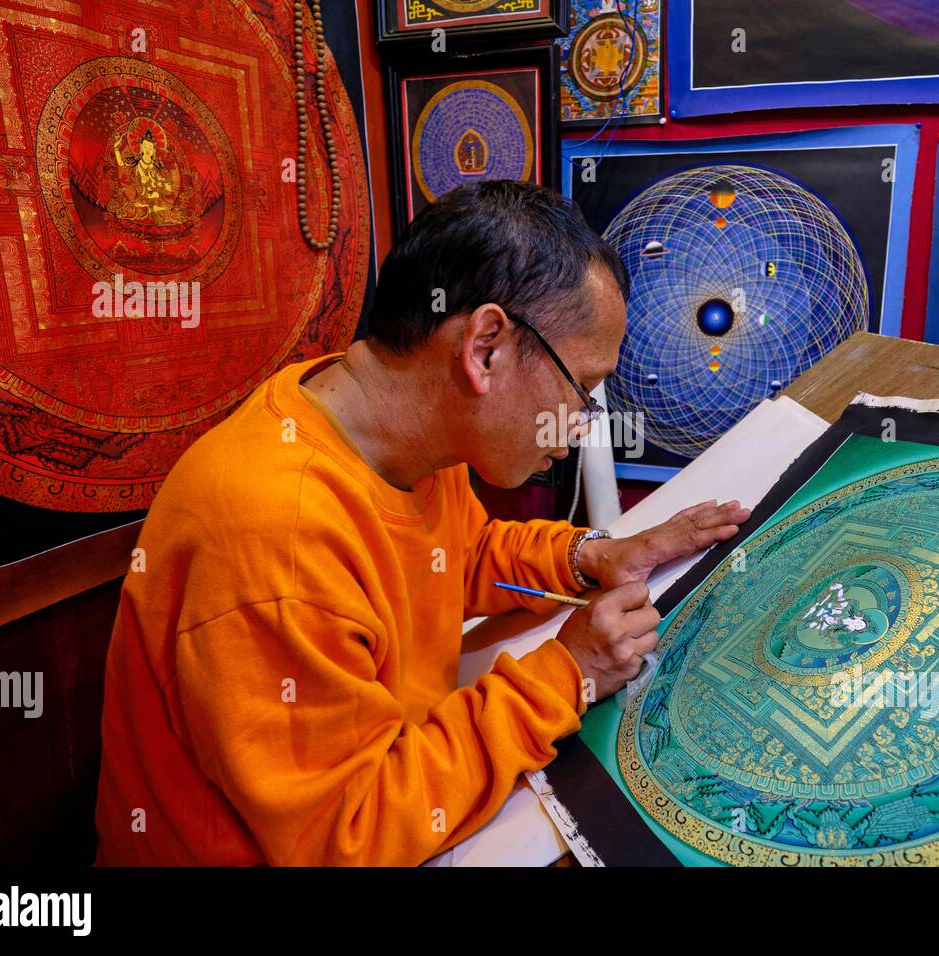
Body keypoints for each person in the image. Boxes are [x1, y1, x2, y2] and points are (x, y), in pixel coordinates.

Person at [94, 179, 751, 865]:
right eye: (580, 388)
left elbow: (459, 557)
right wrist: (570, 673)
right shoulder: (274, 533)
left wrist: (591, 554)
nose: (583, 424)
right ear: (485, 347)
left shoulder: (398, 429)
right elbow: (347, 836)